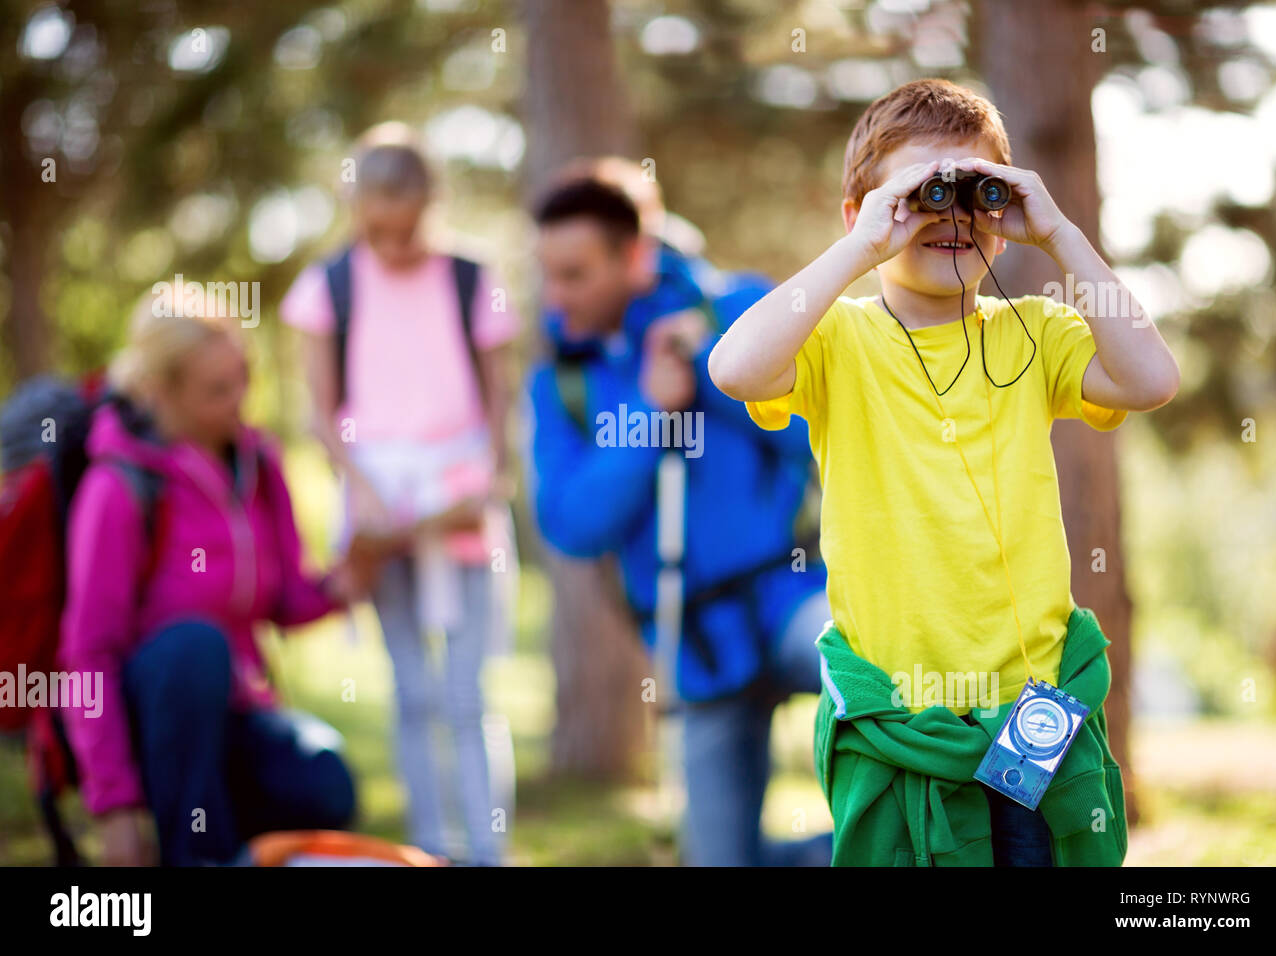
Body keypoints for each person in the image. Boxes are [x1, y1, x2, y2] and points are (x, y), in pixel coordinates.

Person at [709, 78, 1180, 866]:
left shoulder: (1037, 333)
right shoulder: (837, 342)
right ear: (865, 212)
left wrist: (1058, 232)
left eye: (972, 193)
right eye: (922, 195)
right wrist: (862, 245)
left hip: (1030, 705)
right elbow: (733, 368)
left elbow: (1150, 380)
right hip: (897, 714)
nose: (950, 215)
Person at [528, 171, 833, 866]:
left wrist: (718, 369)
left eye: (575, 274)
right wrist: (646, 413)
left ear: (634, 257)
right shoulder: (561, 383)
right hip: (693, 645)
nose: (557, 297)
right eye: (549, 274)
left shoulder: (741, 308)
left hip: (795, 596)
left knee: (877, 689)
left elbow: (819, 432)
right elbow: (573, 525)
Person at [280, 122, 519, 866]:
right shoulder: (330, 286)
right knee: (413, 692)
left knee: (467, 694)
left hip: (461, 501)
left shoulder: (472, 278)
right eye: (376, 230)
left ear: (430, 204)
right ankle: (431, 846)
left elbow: (502, 403)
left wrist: (486, 483)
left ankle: (488, 846)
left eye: (405, 227)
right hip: (379, 501)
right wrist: (364, 491)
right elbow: (320, 412)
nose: (392, 246)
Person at [60, 286, 360, 867]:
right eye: (217, 391)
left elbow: (286, 598)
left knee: (326, 783)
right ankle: (193, 853)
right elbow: (86, 655)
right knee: (196, 645)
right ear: (162, 392)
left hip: (236, 715)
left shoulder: (257, 464)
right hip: (153, 723)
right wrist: (114, 806)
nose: (239, 401)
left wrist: (347, 580)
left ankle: (229, 842)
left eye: (243, 378)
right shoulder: (119, 488)